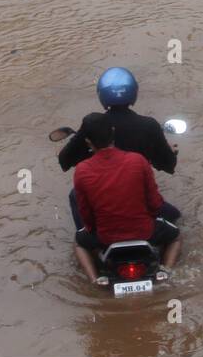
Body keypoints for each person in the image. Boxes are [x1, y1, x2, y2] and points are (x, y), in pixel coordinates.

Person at [58, 66, 180, 221]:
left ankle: (83, 236)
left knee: (75, 194)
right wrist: (171, 152)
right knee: (176, 217)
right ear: (134, 92)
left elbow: (64, 160)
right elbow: (169, 165)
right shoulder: (149, 125)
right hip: (137, 197)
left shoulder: (93, 125)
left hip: (102, 201)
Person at [70, 118, 181, 285]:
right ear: (113, 134)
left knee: (79, 244)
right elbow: (155, 203)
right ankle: (166, 273)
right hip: (145, 231)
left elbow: (85, 213)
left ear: (88, 142)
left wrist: (94, 230)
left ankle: (94, 281)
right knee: (176, 237)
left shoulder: (82, 170)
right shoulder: (138, 160)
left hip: (105, 236)